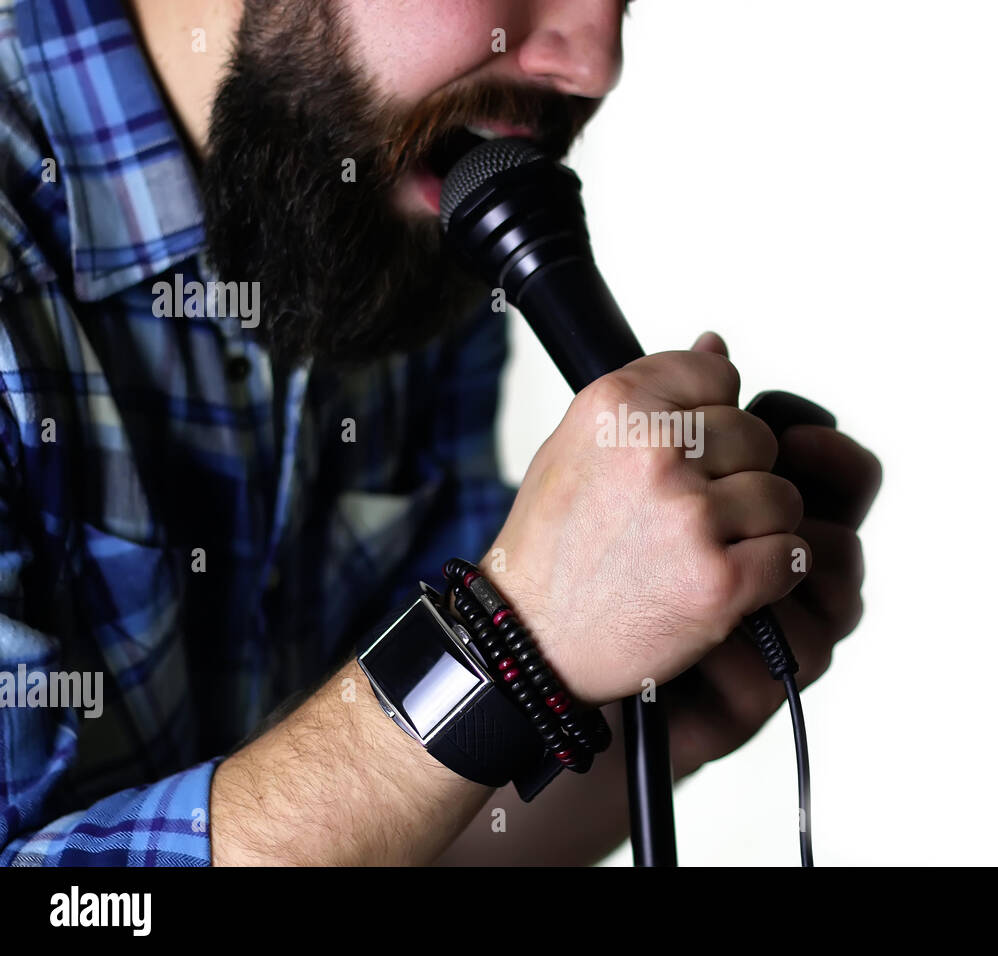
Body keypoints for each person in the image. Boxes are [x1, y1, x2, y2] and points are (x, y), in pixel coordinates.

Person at [0, 0, 880, 866]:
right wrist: (501, 639)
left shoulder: (399, 218)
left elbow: (393, 833)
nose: (595, 59)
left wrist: (662, 718)